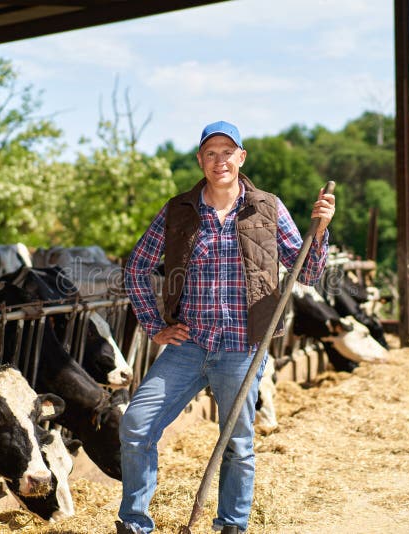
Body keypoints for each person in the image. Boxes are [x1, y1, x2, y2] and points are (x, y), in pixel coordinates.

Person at [117, 120, 335, 534]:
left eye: (227, 152)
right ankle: (134, 523)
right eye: (211, 153)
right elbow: (136, 268)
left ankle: (231, 525)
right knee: (136, 423)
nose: (220, 161)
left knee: (237, 441)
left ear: (242, 158)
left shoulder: (268, 207)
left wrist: (320, 230)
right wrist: (154, 325)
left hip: (242, 348)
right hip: (188, 344)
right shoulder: (178, 210)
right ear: (200, 160)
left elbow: (306, 272)